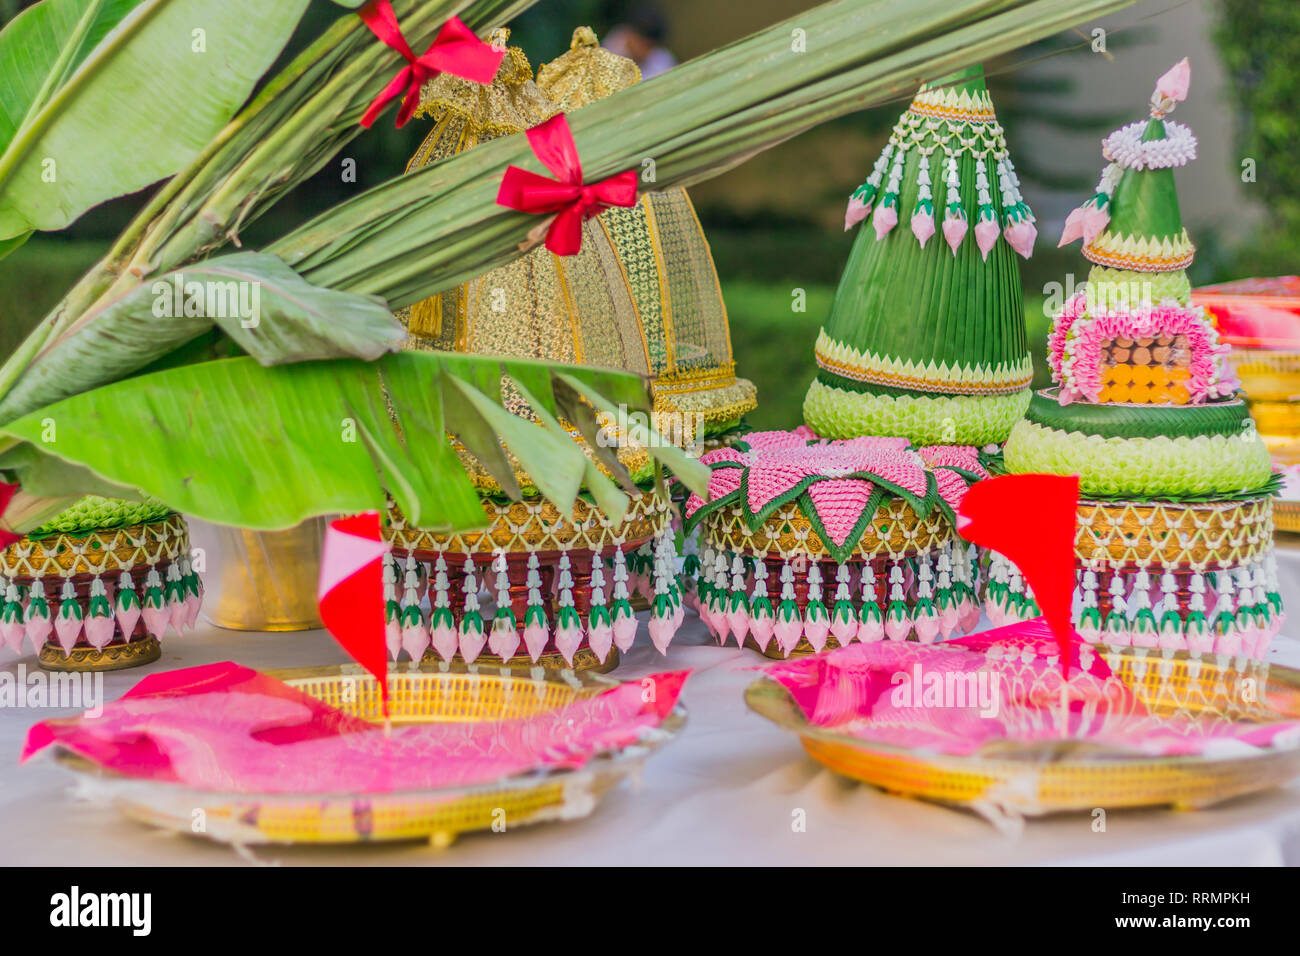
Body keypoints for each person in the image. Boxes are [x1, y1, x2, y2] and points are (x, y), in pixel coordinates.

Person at [603, 5, 677, 79]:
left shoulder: (664, 63)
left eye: (649, 47)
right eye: (642, 44)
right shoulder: (610, 50)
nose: (644, 51)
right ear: (630, 35)